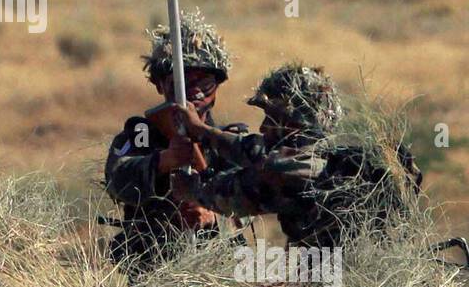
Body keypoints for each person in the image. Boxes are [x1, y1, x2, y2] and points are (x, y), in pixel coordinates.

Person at [170, 63, 422, 247]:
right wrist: (203, 131)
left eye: (271, 118)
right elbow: (257, 151)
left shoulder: (292, 172)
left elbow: (237, 195)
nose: (263, 128)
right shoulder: (333, 159)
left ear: (294, 123)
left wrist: (193, 191)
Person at [103, 9, 246, 269]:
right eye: (183, 80)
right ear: (159, 85)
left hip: (219, 271)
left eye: (205, 80)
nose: (194, 89)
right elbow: (117, 181)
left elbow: (251, 203)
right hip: (153, 267)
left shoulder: (231, 142)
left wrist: (212, 215)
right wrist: (164, 161)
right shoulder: (140, 135)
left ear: (217, 88)